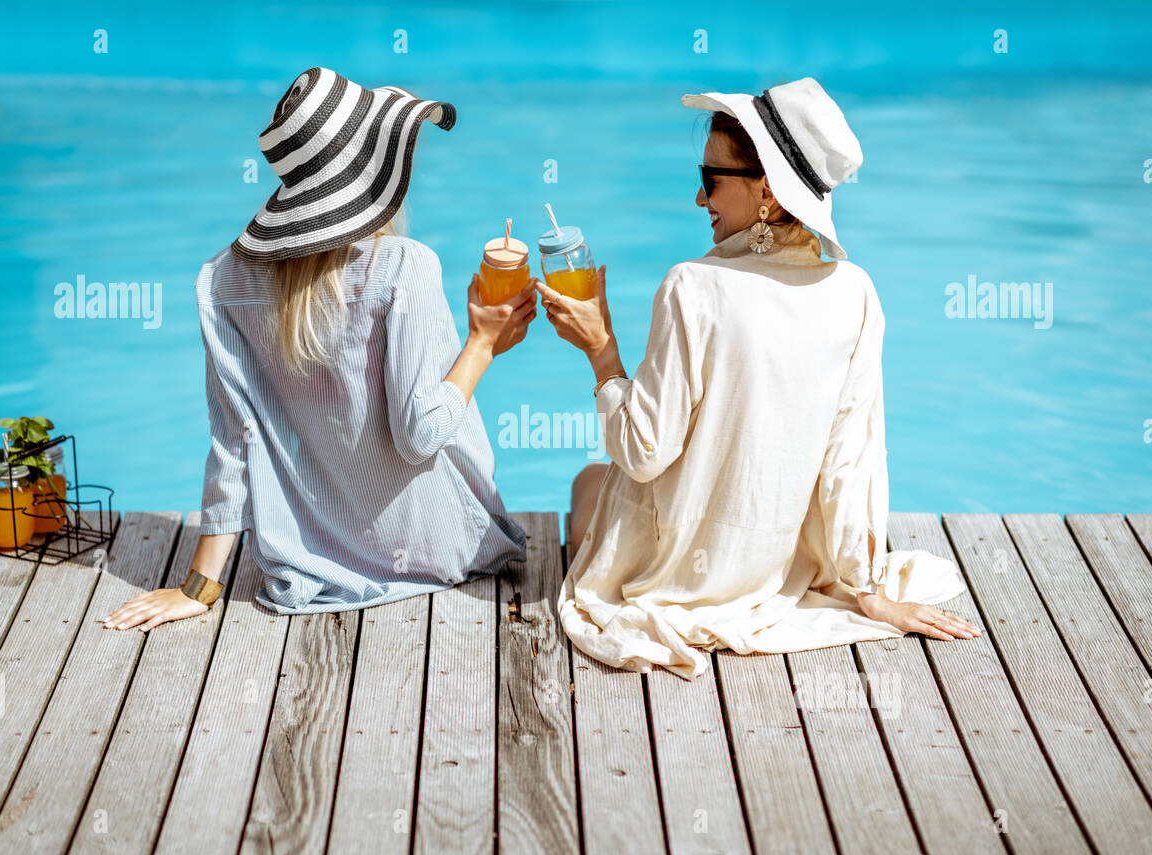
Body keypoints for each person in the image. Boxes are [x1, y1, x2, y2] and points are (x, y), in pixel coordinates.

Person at [538, 77, 982, 680]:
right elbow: (849, 463)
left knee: (587, 481)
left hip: (678, 573)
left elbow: (643, 454)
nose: (700, 200)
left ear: (768, 192)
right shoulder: (855, 292)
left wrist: (600, 350)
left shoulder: (691, 287)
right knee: (596, 480)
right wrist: (866, 588)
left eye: (709, 179)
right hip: (772, 570)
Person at [105, 68, 531, 632]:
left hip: (307, 565)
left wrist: (200, 587)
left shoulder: (220, 282)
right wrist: (483, 344)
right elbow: (421, 437)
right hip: (432, 546)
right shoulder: (405, 266)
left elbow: (235, 441)